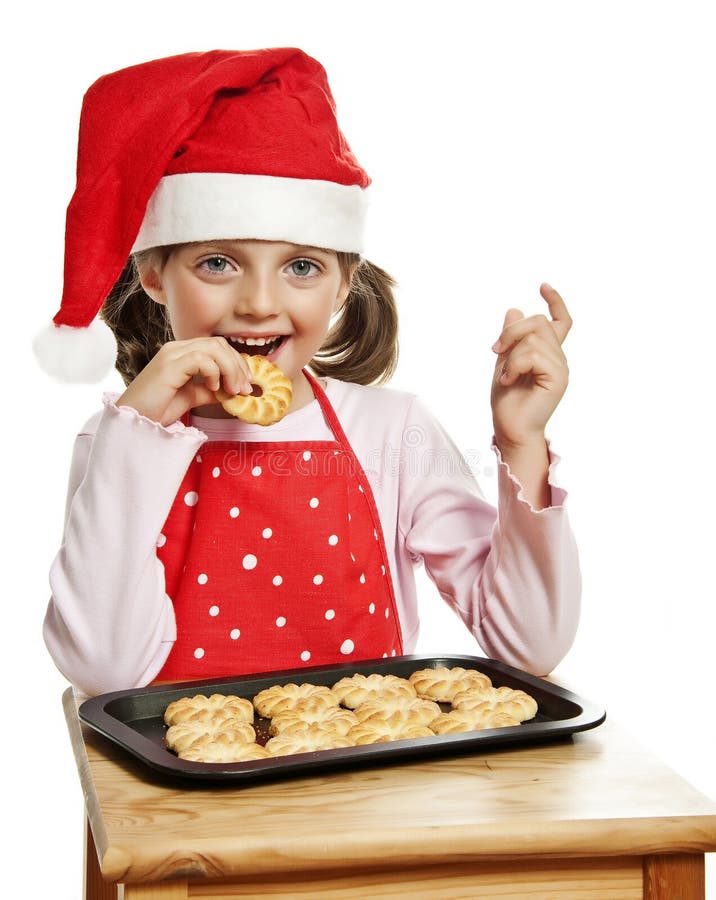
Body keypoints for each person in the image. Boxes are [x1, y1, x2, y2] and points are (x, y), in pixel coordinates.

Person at [35, 48, 580, 697]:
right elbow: (103, 670)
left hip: (364, 786)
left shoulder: (390, 431)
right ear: (154, 275)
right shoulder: (114, 443)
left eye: (301, 267)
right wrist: (134, 434)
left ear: (345, 282)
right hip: (183, 794)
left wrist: (522, 443)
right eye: (217, 262)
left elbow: (529, 642)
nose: (260, 302)